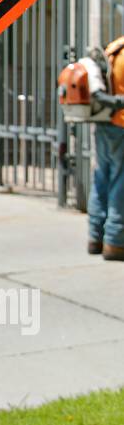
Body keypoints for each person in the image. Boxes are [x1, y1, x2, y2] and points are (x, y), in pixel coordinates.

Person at [87, 37, 124, 261]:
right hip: (121, 122)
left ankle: (95, 237)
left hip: (104, 120)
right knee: (120, 181)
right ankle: (115, 241)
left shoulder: (115, 46)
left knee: (101, 176)